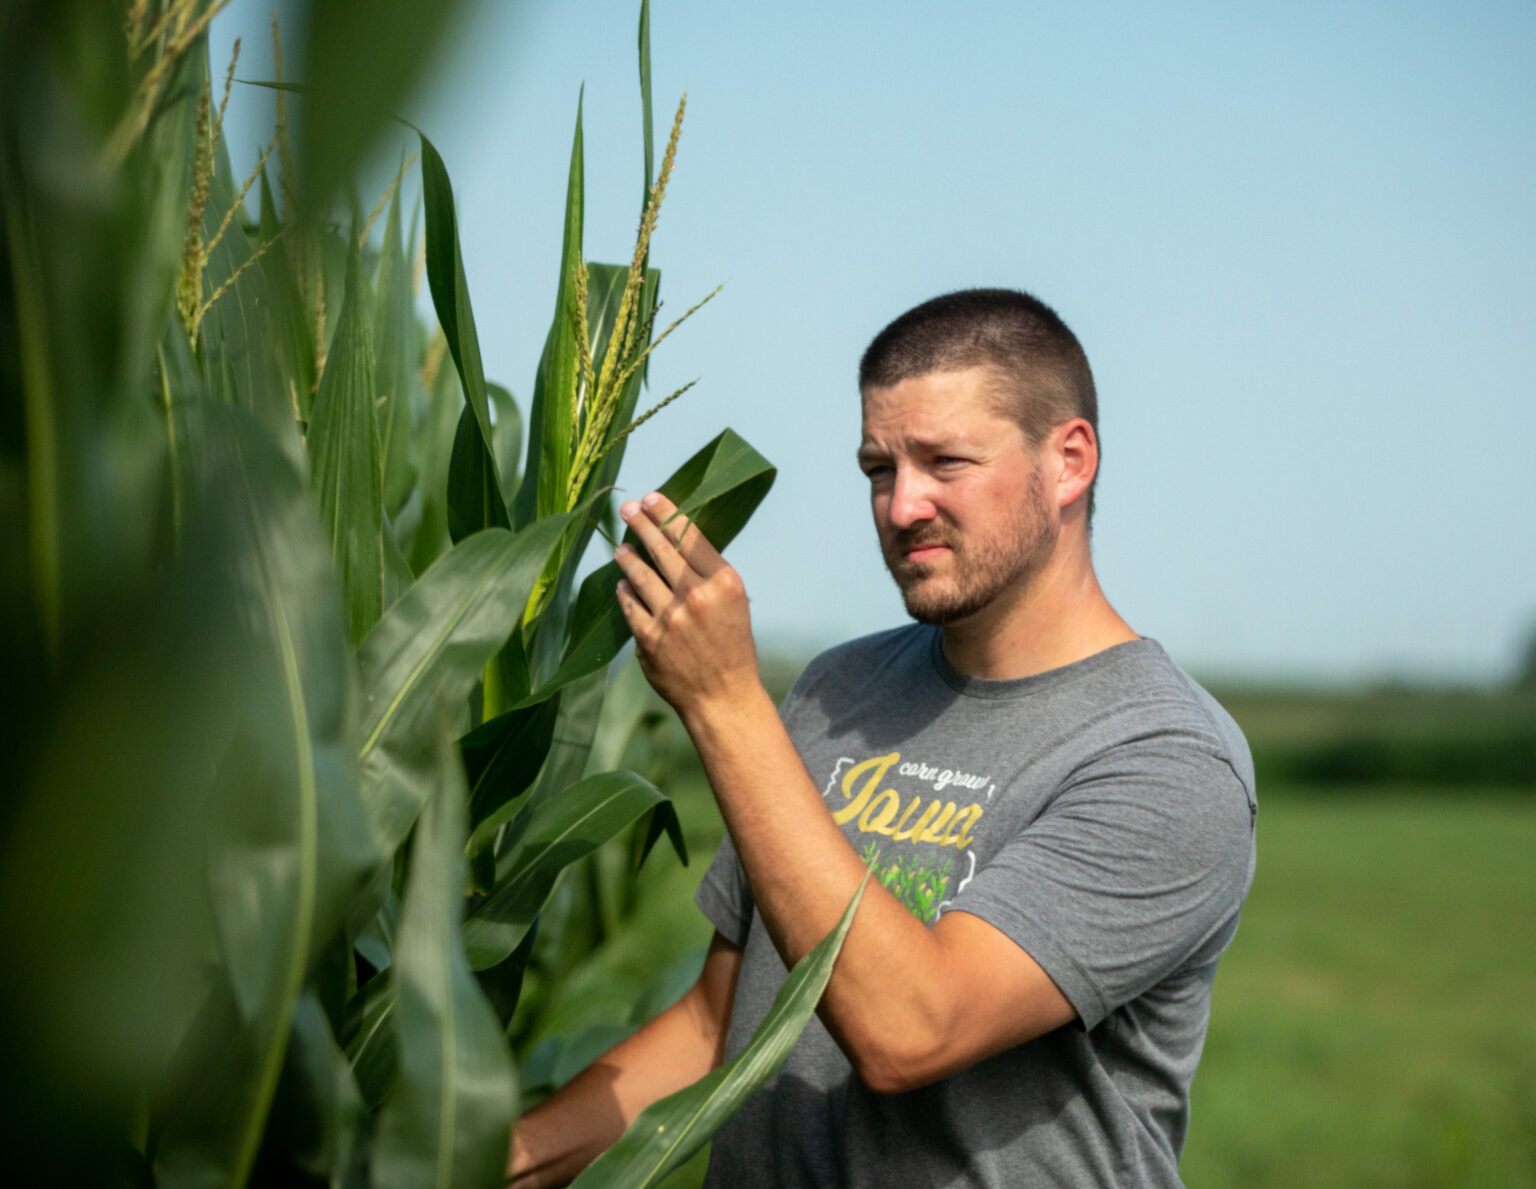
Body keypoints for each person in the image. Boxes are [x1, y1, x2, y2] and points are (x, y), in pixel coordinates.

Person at [508, 288, 1257, 1188]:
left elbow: (910, 1030)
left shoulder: (1165, 759)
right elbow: (717, 1023)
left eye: (945, 461)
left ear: (1069, 461)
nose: (902, 506)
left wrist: (724, 702)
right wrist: (483, 1161)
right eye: (878, 468)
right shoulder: (838, 690)